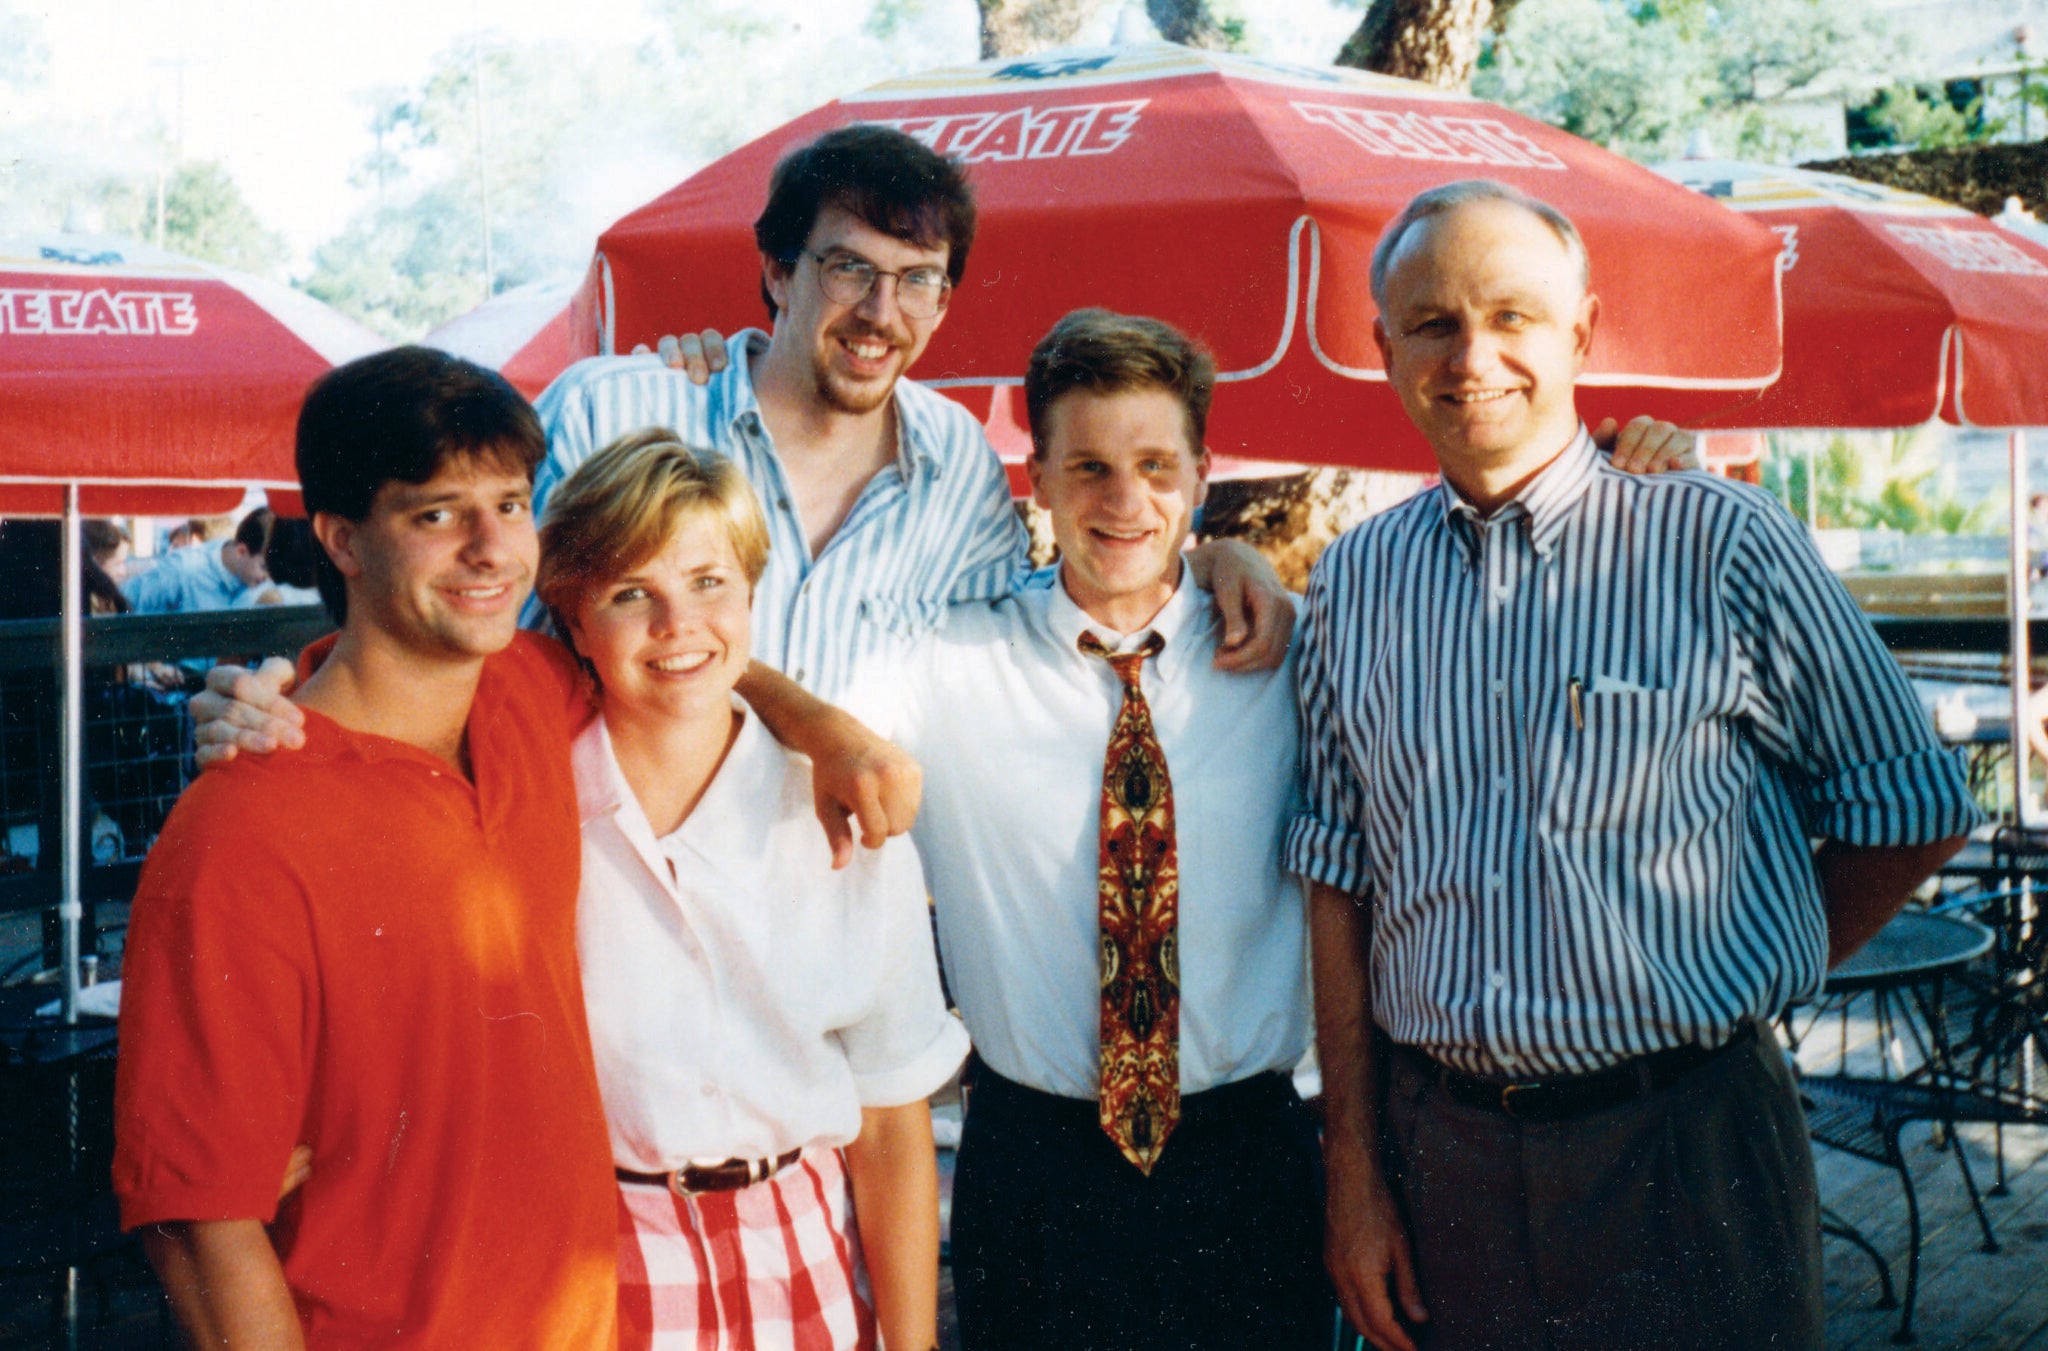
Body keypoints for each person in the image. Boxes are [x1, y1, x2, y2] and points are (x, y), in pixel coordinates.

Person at [1289, 180, 1982, 1351]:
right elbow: (1338, 879)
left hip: (1689, 1144)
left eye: (1512, 315)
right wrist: (1353, 1172)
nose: (1474, 355)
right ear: (1381, 346)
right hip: (1442, 1158)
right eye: (1432, 322)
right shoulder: (1352, 585)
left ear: (1580, 331)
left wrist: (1741, 963)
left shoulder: (1717, 541)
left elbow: (1909, 806)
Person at [114, 348, 623, 1348]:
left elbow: (693, 654)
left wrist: (831, 734)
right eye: (436, 514)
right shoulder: (239, 831)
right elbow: (200, 1226)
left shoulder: (531, 687)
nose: (490, 549)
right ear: (342, 539)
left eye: (511, 505)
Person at [869, 310, 1326, 1349]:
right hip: (1035, 1163)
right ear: (1035, 475)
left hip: (1243, 1157)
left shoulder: (1296, 651)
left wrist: (1234, 564)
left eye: (1155, 464)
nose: (1124, 501)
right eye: (1087, 467)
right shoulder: (945, 662)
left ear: (1203, 473)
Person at [531, 123, 1297, 731]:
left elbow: (1027, 614)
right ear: (777, 271)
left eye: (917, 279)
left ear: (944, 299)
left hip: (848, 895)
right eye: (849, 268)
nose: (880, 312)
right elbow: (514, 660)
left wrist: (1207, 560)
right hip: (632, 885)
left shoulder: (956, 459)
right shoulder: (618, 412)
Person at [537, 430, 966, 1351]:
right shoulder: (527, 808)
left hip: (803, 1247)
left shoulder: (845, 807)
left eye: (707, 582)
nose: (678, 624)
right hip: (599, 1261)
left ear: (751, 591)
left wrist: (914, 1345)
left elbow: (892, 1124)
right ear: (573, 621)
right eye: (629, 594)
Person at [124, 505, 271, 612]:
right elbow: (121, 603)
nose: (268, 578)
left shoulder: (263, 586)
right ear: (241, 551)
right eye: (264, 568)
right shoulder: (183, 570)